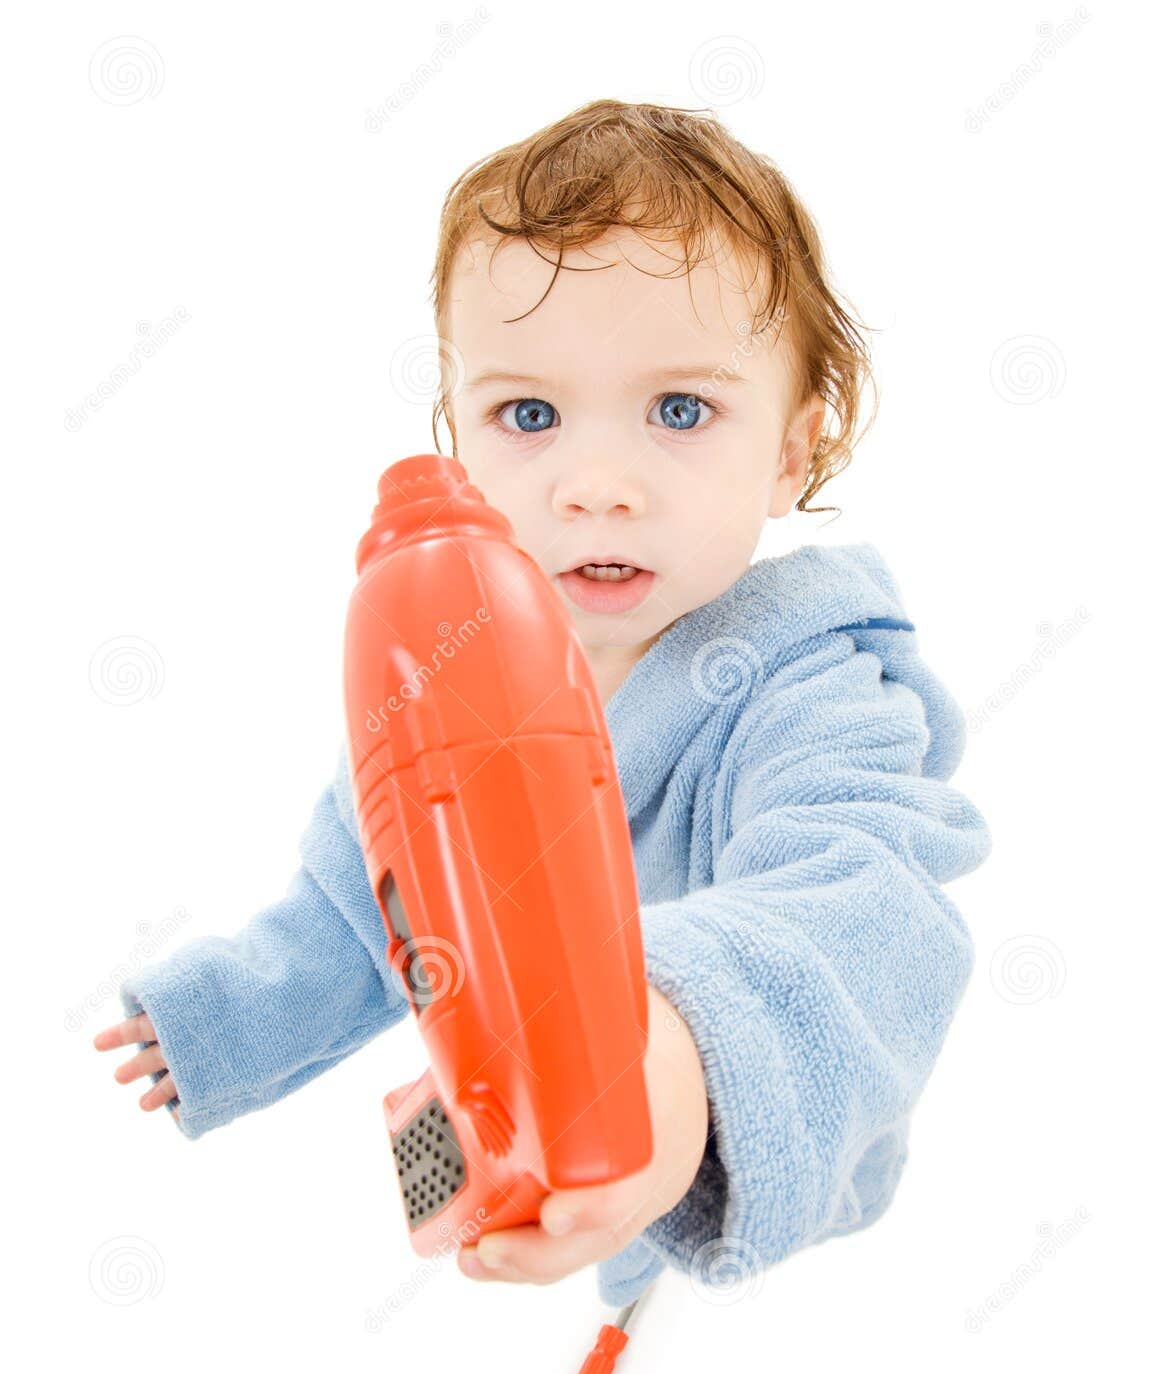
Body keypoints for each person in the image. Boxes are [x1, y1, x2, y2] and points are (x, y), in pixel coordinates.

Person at [94, 98, 992, 1309]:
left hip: (775, 1174)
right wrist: (221, 1018)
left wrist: (663, 1055)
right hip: (558, 1155)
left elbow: (862, 901)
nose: (596, 485)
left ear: (792, 449)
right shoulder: (461, 668)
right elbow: (377, 895)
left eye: (680, 412)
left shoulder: (813, 689)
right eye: (529, 415)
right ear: (458, 444)